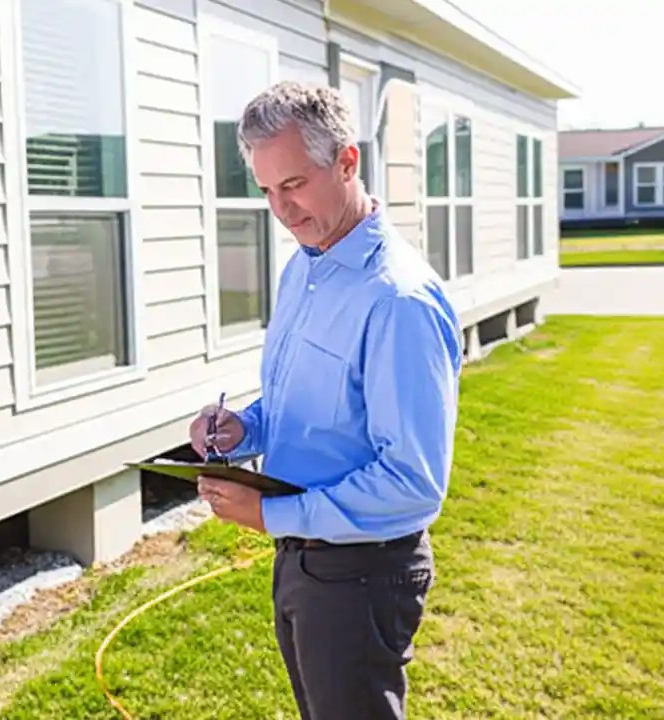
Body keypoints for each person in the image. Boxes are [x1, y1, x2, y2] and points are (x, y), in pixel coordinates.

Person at [189, 81, 463, 720]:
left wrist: (272, 517)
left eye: (293, 185)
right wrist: (242, 429)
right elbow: (307, 402)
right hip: (307, 565)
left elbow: (415, 483)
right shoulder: (306, 265)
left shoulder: (398, 300)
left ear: (347, 162)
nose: (280, 209)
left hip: (362, 575)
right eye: (265, 191)